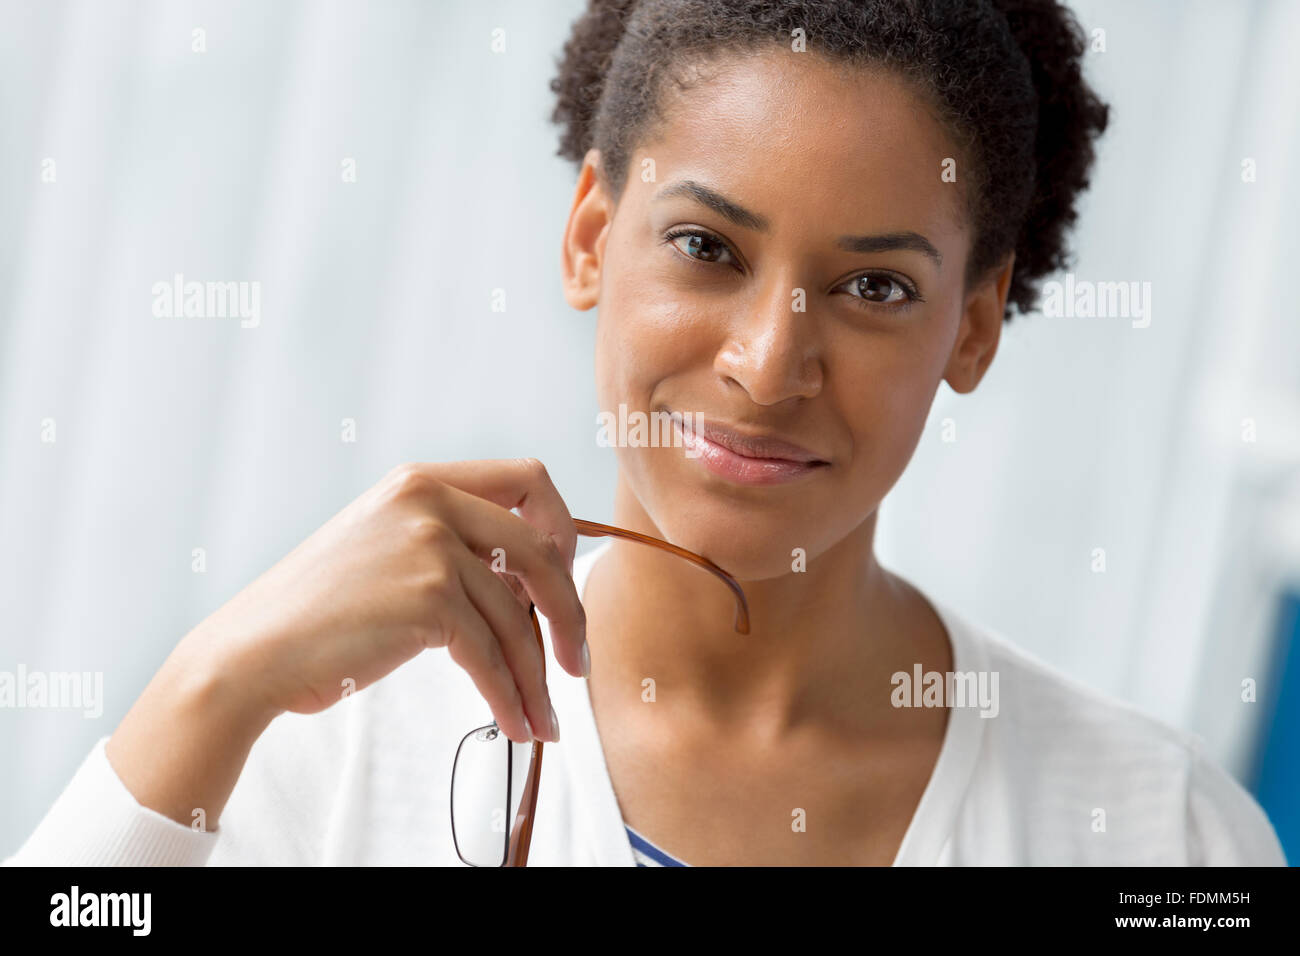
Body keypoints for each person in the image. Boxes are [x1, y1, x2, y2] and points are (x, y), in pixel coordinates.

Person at [4, 0, 1286, 866]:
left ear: (975, 325)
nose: (768, 364)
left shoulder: (1158, 834)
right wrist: (211, 683)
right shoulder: (318, 746)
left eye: (874, 286)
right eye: (706, 247)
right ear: (588, 237)